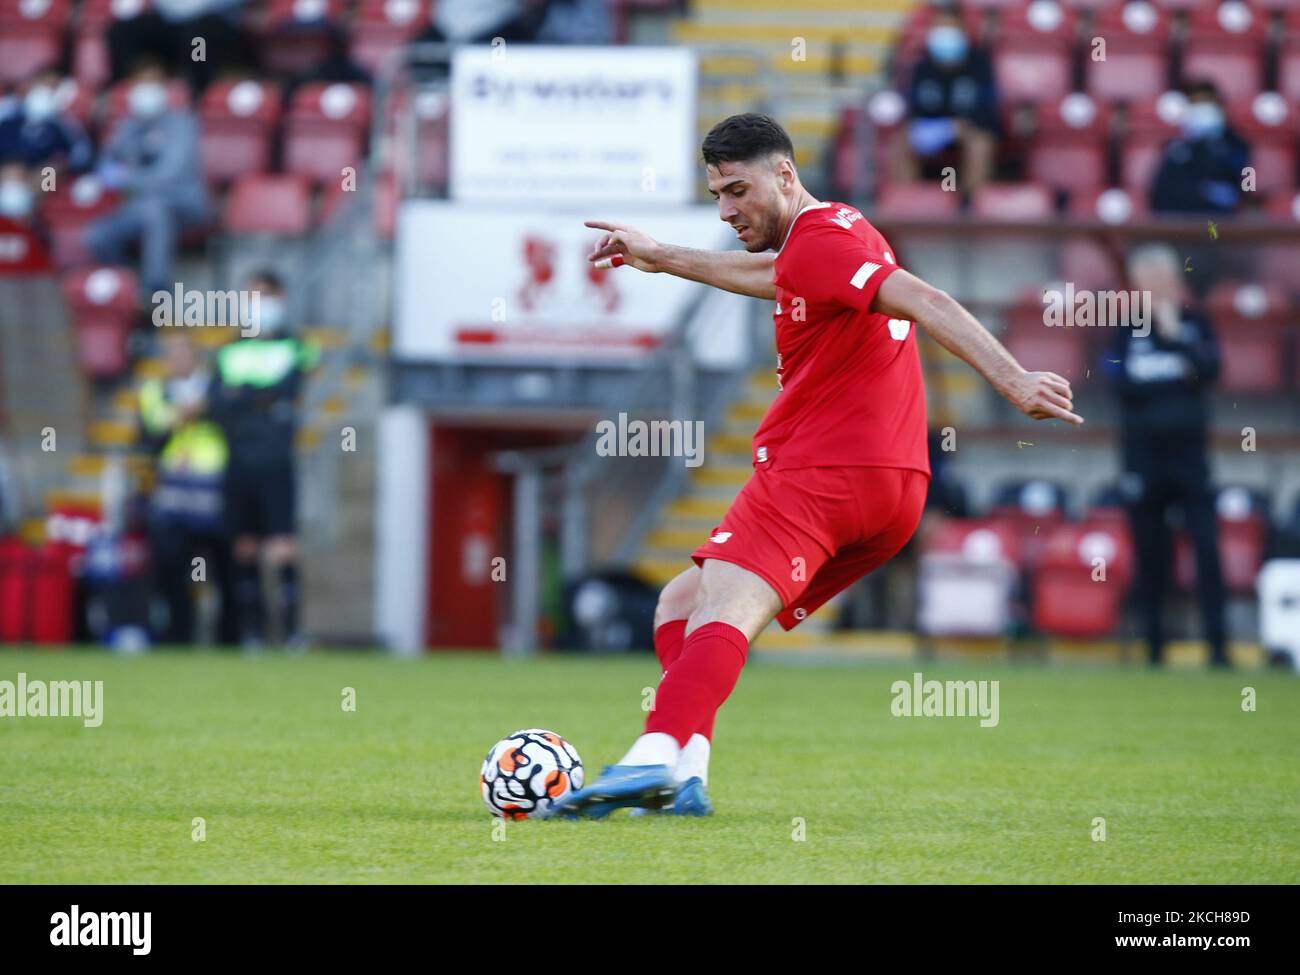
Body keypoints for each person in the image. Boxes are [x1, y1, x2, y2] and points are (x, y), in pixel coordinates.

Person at [554, 113, 1081, 818]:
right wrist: (662, 254)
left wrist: (1014, 380)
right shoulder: (827, 235)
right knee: (680, 603)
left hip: (823, 470)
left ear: (784, 173)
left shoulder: (823, 243)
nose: (726, 209)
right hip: (894, 492)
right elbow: (775, 275)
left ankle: (652, 752)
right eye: (717, 194)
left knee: (725, 610)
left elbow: (926, 297)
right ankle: (687, 771)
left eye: (738, 189)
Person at [1102, 243, 1228, 667]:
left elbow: (1210, 372)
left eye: (1159, 279)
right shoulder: (1126, 330)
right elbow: (1117, 382)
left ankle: (1218, 647)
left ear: (1174, 280)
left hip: (1191, 460)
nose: (1152, 288)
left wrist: (1176, 339)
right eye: (1144, 281)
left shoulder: (1195, 323)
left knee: (1207, 549)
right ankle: (1154, 647)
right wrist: (1172, 376)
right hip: (1143, 459)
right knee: (1150, 553)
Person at [208, 271, 318, 648]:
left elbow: (287, 388)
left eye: (265, 296)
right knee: (244, 547)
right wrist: (257, 399)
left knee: (283, 546)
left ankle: (290, 632)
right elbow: (219, 404)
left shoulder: (296, 346)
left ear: (281, 298)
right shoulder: (228, 350)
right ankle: (252, 632)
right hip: (238, 460)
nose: (258, 305)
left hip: (275, 459)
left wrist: (244, 396)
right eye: (251, 297)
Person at [139, 335, 237, 645]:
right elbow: (148, 436)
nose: (177, 360)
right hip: (175, 495)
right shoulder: (156, 391)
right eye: (171, 354)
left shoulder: (218, 388)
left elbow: (234, 424)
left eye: (182, 353)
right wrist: (180, 416)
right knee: (172, 566)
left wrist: (202, 410)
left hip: (215, 492)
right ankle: (178, 636)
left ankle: (229, 639)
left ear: (195, 357)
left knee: (223, 568)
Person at [84, 57, 208, 299]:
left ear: (164, 89)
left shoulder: (183, 123)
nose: (146, 90)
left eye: (153, 83)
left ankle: (156, 289)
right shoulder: (127, 126)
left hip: (184, 203)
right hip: (141, 206)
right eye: (140, 83)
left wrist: (126, 178)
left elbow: (170, 174)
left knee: (154, 210)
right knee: (98, 234)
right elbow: (107, 162)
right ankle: (126, 287)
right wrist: (102, 175)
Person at [892, 3, 1000, 197]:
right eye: (939, 28)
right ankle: (908, 203)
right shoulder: (922, 66)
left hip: (968, 128)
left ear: (962, 31)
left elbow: (989, 108)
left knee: (980, 144)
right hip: (933, 129)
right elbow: (913, 107)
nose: (944, 34)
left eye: (950, 28)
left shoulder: (979, 64)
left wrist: (961, 126)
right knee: (902, 141)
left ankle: (969, 207)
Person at [1150, 80, 1250, 216]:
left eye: (1207, 103)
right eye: (1196, 104)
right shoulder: (1176, 148)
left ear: (1220, 107)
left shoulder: (1239, 146)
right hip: (1180, 222)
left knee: (1213, 232)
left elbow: (1245, 188)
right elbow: (1161, 192)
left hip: (1217, 224)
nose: (1202, 111)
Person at [0, 68, 94, 174]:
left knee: (49, 176)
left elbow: (81, 155)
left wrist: (59, 165)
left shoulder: (65, 120)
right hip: (11, 169)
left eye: (51, 88)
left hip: (47, 171)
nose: (44, 92)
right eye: (42, 86)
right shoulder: (8, 112)